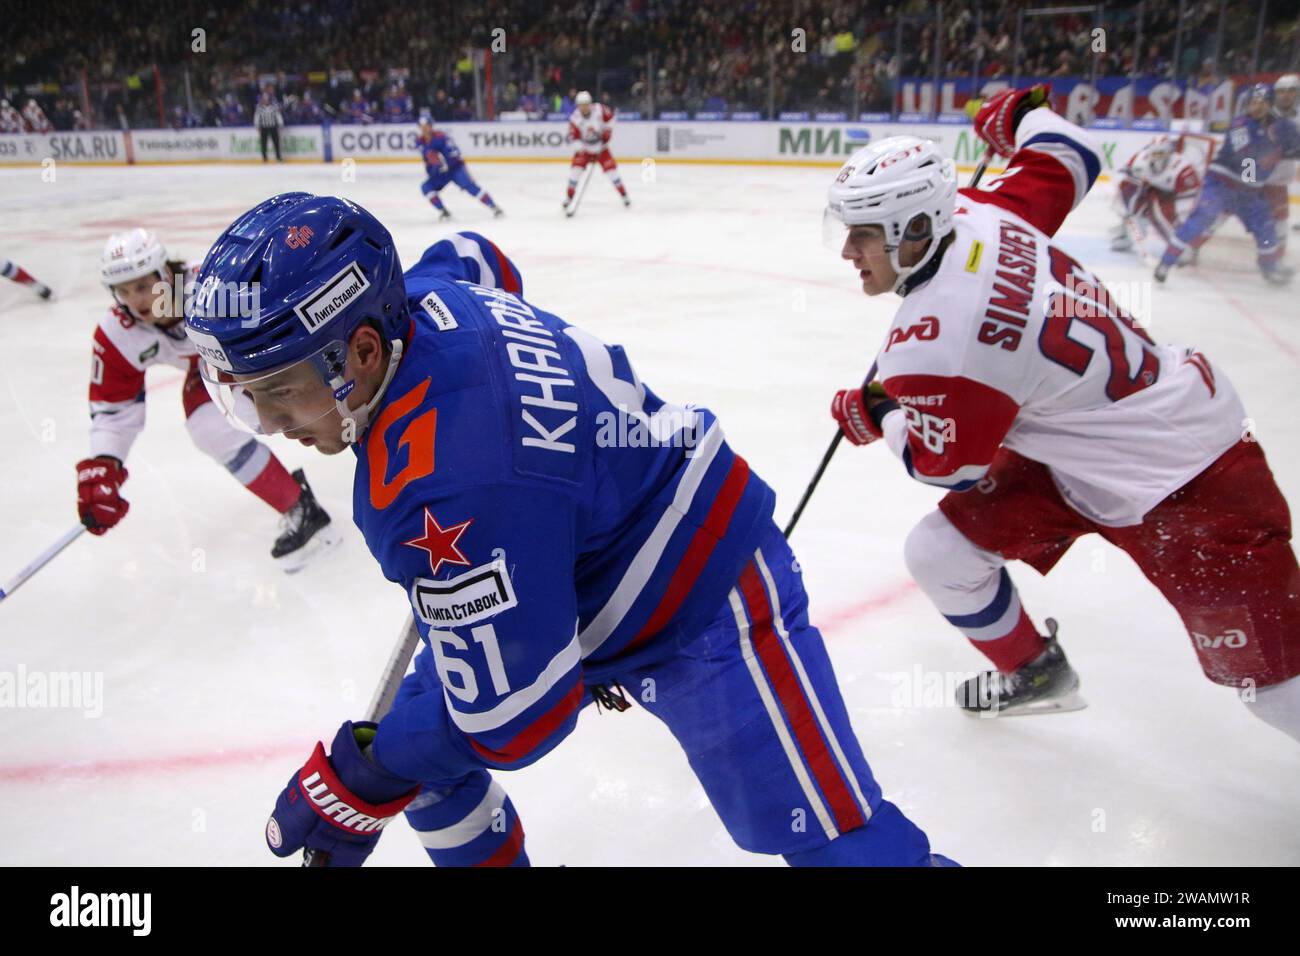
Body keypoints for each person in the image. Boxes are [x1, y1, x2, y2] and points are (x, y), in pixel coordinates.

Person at [185, 196, 955, 867]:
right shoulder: (425, 297)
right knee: (424, 751)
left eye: (281, 391)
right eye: (249, 398)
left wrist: (363, 773)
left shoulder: (436, 493)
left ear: (360, 349)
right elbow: (480, 259)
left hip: (699, 590)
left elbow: (518, 720)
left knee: (829, 836)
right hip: (565, 561)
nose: (272, 425)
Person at [823, 86, 1299, 742]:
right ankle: (1036, 673)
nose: (848, 251)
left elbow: (948, 466)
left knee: (1274, 687)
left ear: (915, 228)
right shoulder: (982, 210)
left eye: (864, 234)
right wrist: (1017, 115)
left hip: (1191, 479)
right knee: (941, 553)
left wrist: (879, 415)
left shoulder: (935, 343)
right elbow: (1069, 153)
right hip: (1090, 450)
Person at [80, 228, 336, 569]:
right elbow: (114, 409)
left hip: (259, 358)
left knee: (317, 405)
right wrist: (104, 464)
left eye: (143, 286)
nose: (136, 301)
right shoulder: (117, 332)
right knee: (209, 429)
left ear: (165, 273)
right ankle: (297, 505)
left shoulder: (213, 287)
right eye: (123, 291)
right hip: (209, 367)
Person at [1154, 84, 1300, 285]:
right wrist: (1276, 150)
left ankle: (1270, 268)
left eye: (1261, 102)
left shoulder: (1281, 126)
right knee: (1199, 219)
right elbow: (1245, 155)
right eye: (1252, 103)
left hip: (1248, 192)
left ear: (1269, 104)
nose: (1255, 107)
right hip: (1221, 185)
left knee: (1265, 226)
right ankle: (1166, 262)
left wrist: (1290, 146)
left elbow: (1295, 147)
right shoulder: (1240, 124)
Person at [1110, 135, 1202, 256]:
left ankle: (1182, 246)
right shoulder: (1139, 159)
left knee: (1168, 219)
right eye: (1154, 153)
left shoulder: (1182, 168)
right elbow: (1123, 179)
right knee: (1134, 210)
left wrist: (1181, 213)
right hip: (1148, 190)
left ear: (1170, 152)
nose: (1157, 157)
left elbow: (1193, 196)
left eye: (1161, 153)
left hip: (1173, 196)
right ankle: (1127, 236)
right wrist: (1125, 205)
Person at [416, 117, 502, 220]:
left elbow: (455, 154)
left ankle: (494, 207)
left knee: (471, 187)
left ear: (431, 126)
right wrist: (433, 170)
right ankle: (443, 211)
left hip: (454, 168)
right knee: (426, 187)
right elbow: (428, 159)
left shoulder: (441, 137)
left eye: (426, 126)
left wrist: (446, 163)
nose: (424, 129)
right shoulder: (419, 141)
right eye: (422, 127)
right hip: (441, 173)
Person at [564, 91, 629, 210]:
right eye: (581, 105)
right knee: (575, 172)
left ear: (590, 104)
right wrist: (581, 148)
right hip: (585, 149)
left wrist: (607, 131)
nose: (584, 107)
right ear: (578, 106)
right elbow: (572, 138)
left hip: (601, 148)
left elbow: (612, 119)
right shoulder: (575, 118)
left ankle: (624, 195)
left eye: (586, 104)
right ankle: (569, 198)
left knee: (612, 172)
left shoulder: (600, 109)